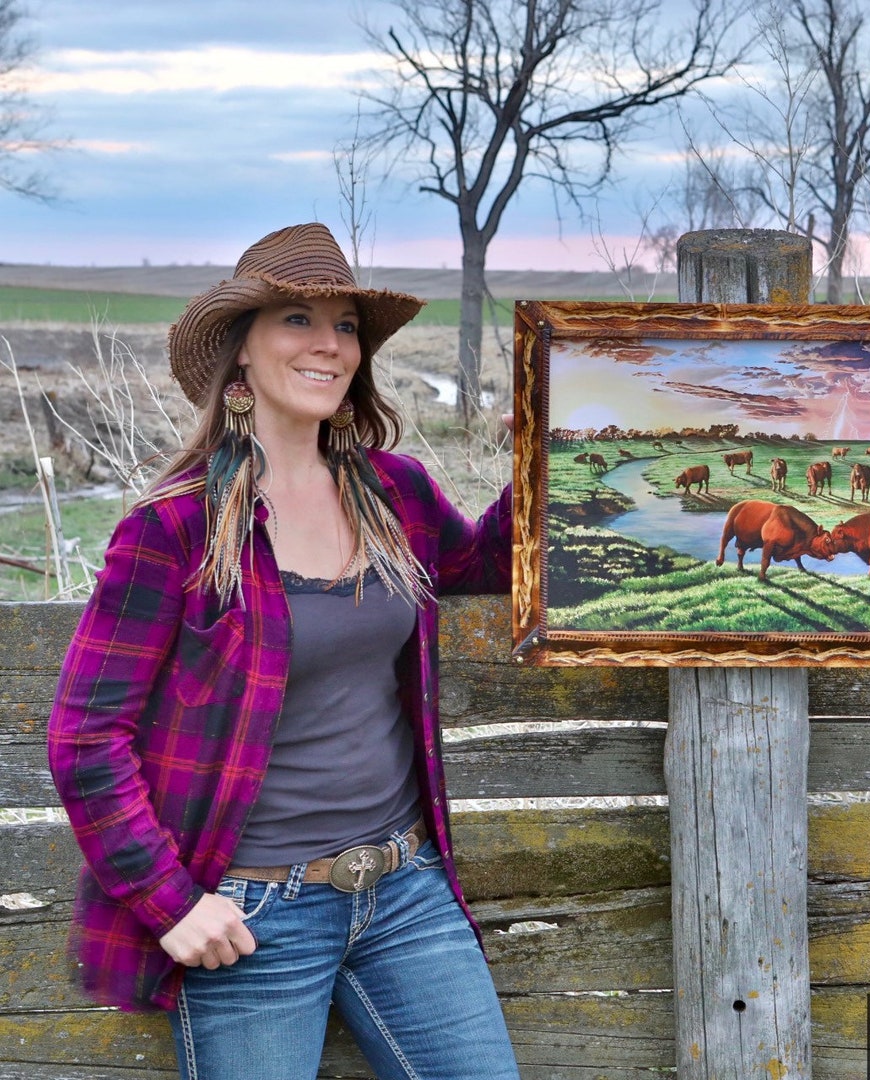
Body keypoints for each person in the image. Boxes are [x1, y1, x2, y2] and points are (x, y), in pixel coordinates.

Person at [47, 223, 521, 1080]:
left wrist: (560, 442)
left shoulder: (394, 492)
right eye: (297, 319)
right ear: (241, 354)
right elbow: (85, 739)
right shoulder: (176, 528)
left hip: (405, 889)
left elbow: (486, 564)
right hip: (254, 915)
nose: (329, 345)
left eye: (346, 326)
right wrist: (173, 903)